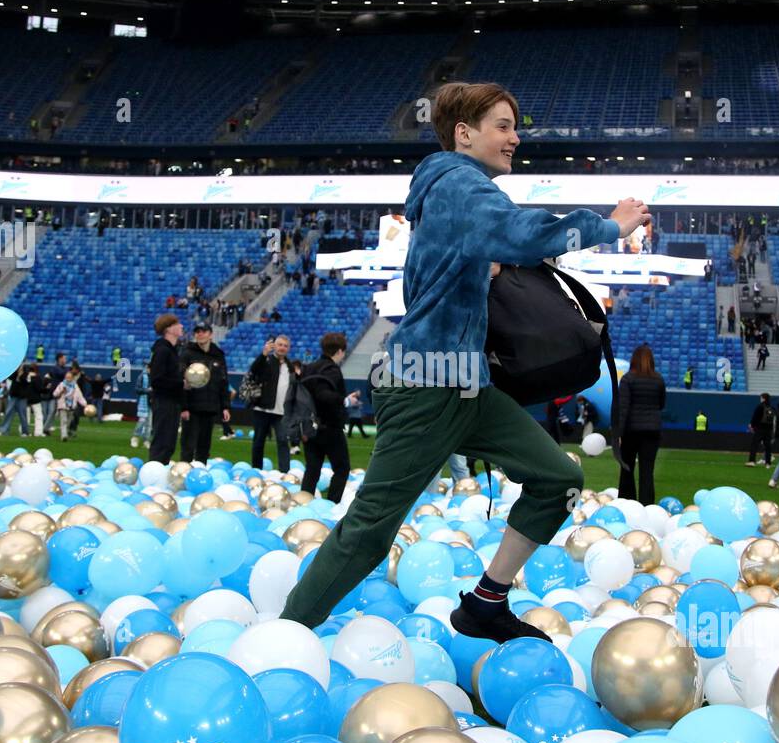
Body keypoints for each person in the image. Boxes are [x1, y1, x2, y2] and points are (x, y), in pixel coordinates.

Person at [278, 80, 649, 643]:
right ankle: (282, 636)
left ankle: (484, 604)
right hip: (426, 383)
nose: (515, 138)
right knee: (370, 530)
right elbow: (524, 233)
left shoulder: (453, 194)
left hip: (463, 386)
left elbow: (487, 251)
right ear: (463, 133)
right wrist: (609, 225)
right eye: (503, 126)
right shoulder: (458, 182)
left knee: (558, 477)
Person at [299, 333, 360, 502]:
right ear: (340, 351)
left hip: (309, 426)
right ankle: (332, 504)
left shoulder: (309, 367)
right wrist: (345, 401)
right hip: (329, 427)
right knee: (342, 468)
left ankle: (304, 503)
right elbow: (323, 395)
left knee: (312, 469)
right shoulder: (332, 369)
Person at [616, 344, 665, 505]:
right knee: (647, 472)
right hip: (652, 430)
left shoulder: (628, 379)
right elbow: (661, 404)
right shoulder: (658, 379)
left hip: (631, 431)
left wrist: (618, 434)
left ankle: (627, 504)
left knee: (627, 469)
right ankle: (647, 506)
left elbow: (623, 408)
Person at [180, 323, 231, 463]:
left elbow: (223, 382)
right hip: (192, 407)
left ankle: (200, 474)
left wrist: (225, 406)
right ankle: (184, 472)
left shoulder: (218, 355)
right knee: (188, 446)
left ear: (210, 334)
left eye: (203, 331)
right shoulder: (187, 353)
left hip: (210, 407)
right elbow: (181, 381)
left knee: (204, 447)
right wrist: (183, 407)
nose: (200, 334)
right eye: (197, 331)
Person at [248, 335, 294, 473]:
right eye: (280, 344)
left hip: (281, 412)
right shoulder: (266, 360)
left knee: (283, 441)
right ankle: (257, 471)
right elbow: (254, 370)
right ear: (275, 346)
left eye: (285, 346)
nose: (282, 348)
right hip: (262, 409)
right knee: (258, 442)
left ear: (289, 348)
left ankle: (284, 472)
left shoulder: (290, 366)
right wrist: (263, 354)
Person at [147, 315, 187, 464]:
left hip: (172, 402)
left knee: (169, 443)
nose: (181, 326)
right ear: (169, 328)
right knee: (162, 442)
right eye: (177, 324)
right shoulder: (163, 351)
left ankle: (159, 469)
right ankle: (153, 473)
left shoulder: (171, 350)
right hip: (164, 402)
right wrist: (181, 384)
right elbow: (157, 380)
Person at [53, 367, 87, 441]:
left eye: (69, 377)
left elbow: (79, 396)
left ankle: (66, 433)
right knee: (63, 421)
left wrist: (85, 404)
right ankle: (64, 436)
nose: (68, 379)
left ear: (72, 378)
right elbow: (55, 394)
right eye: (67, 377)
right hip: (62, 405)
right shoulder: (61, 385)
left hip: (71, 406)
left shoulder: (75, 386)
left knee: (69, 421)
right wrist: (61, 391)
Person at [0, 364, 32, 436]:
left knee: (22, 415)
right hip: (14, 396)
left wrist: (21, 374)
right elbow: (10, 377)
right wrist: (16, 372)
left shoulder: (26, 369)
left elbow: (26, 382)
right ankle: (4, 430)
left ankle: (25, 432)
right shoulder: (15, 369)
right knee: (8, 412)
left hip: (22, 397)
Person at [746, 392, 776, 467]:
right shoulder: (772, 407)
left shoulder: (760, 406)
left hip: (759, 429)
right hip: (769, 430)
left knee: (754, 445)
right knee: (768, 447)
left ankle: (752, 461)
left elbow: (755, 417)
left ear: (763, 398)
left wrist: (751, 425)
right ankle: (768, 463)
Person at [41, 352, 67, 434]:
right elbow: (61, 374)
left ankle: (46, 428)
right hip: (55, 393)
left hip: (61, 393)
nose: (65, 360)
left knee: (53, 412)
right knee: (52, 411)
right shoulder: (56, 368)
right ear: (60, 359)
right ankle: (45, 428)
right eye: (64, 358)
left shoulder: (63, 368)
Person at [131, 363, 153, 450]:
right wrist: (147, 390)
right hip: (144, 402)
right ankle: (135, 437)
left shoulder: (155, 376)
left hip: (152, 402)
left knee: (149, 424)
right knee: (142, 421)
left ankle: (146, 440)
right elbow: (137, 389)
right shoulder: (142, 376)